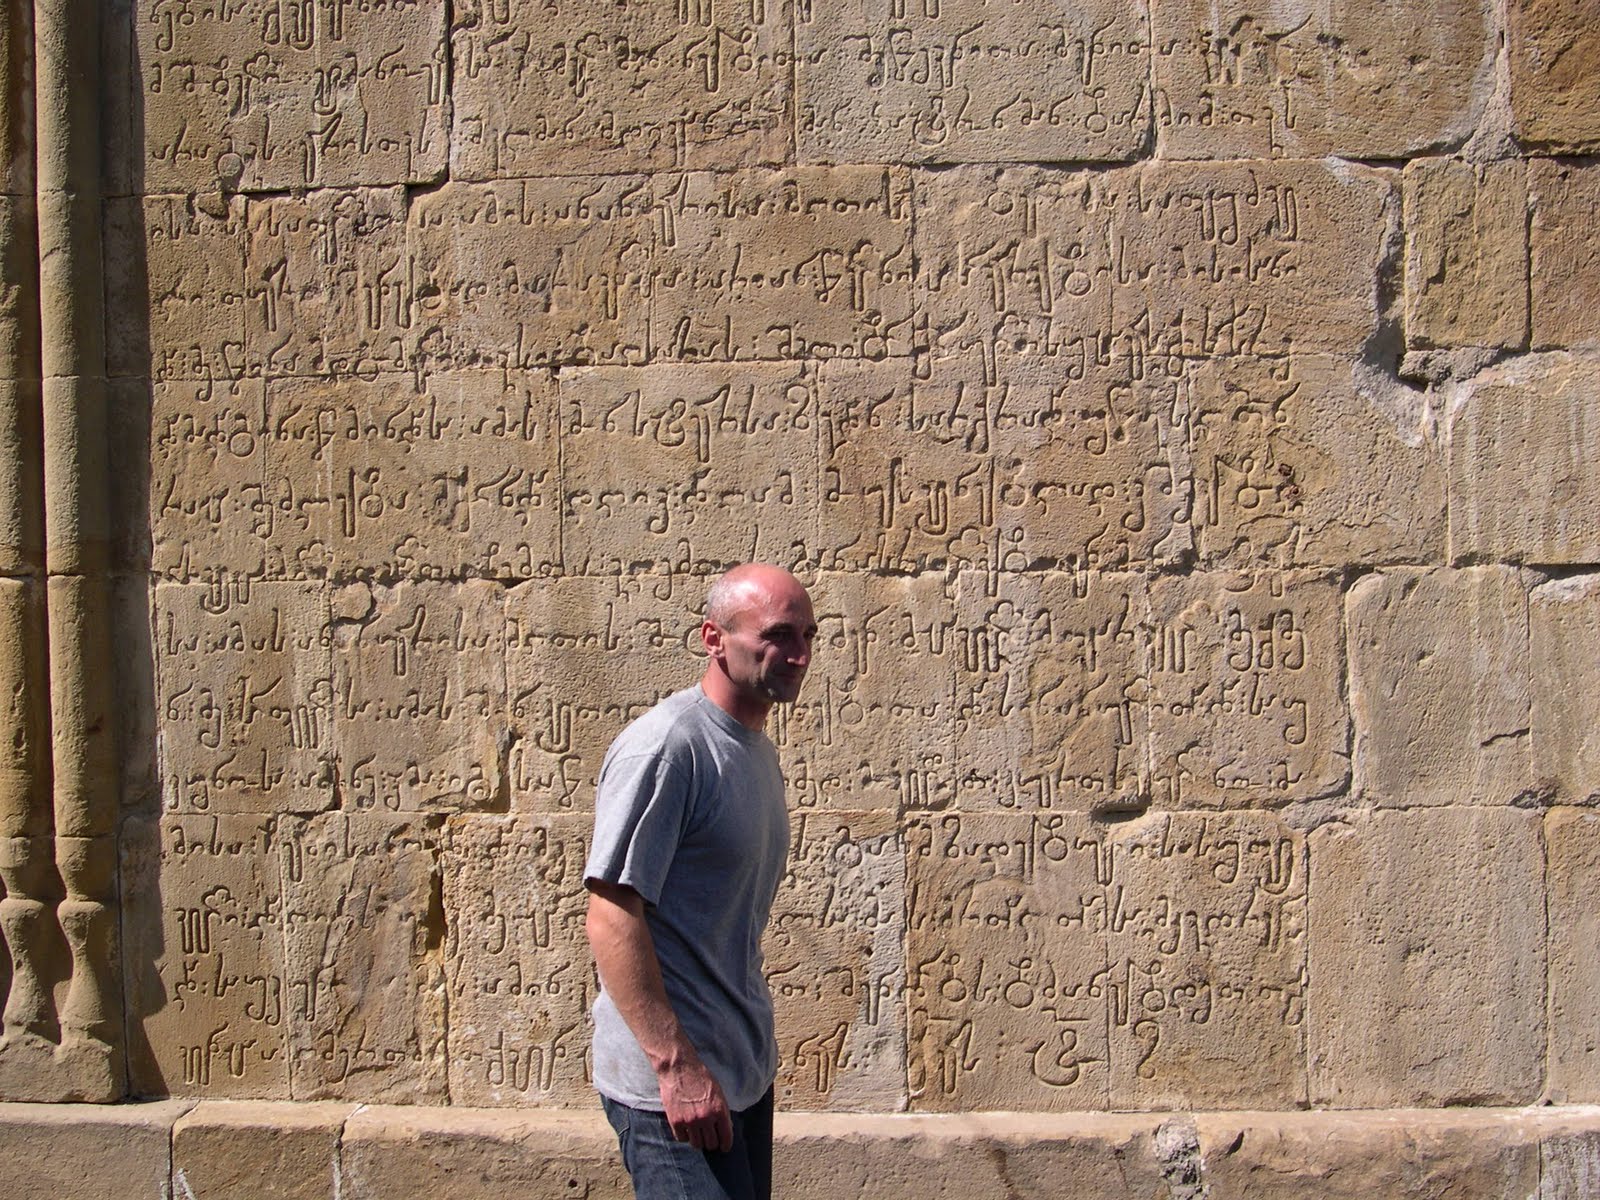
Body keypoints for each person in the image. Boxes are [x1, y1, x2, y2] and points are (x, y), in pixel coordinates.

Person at [584, 563, 817, 1200]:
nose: (798, 654)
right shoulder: (668, 747)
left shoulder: (754, 746)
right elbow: (611, 913)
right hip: (674, 1093)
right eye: (777, 635)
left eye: (807, 635)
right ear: (714, 638)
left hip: (739, 1076)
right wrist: (675, 1065)